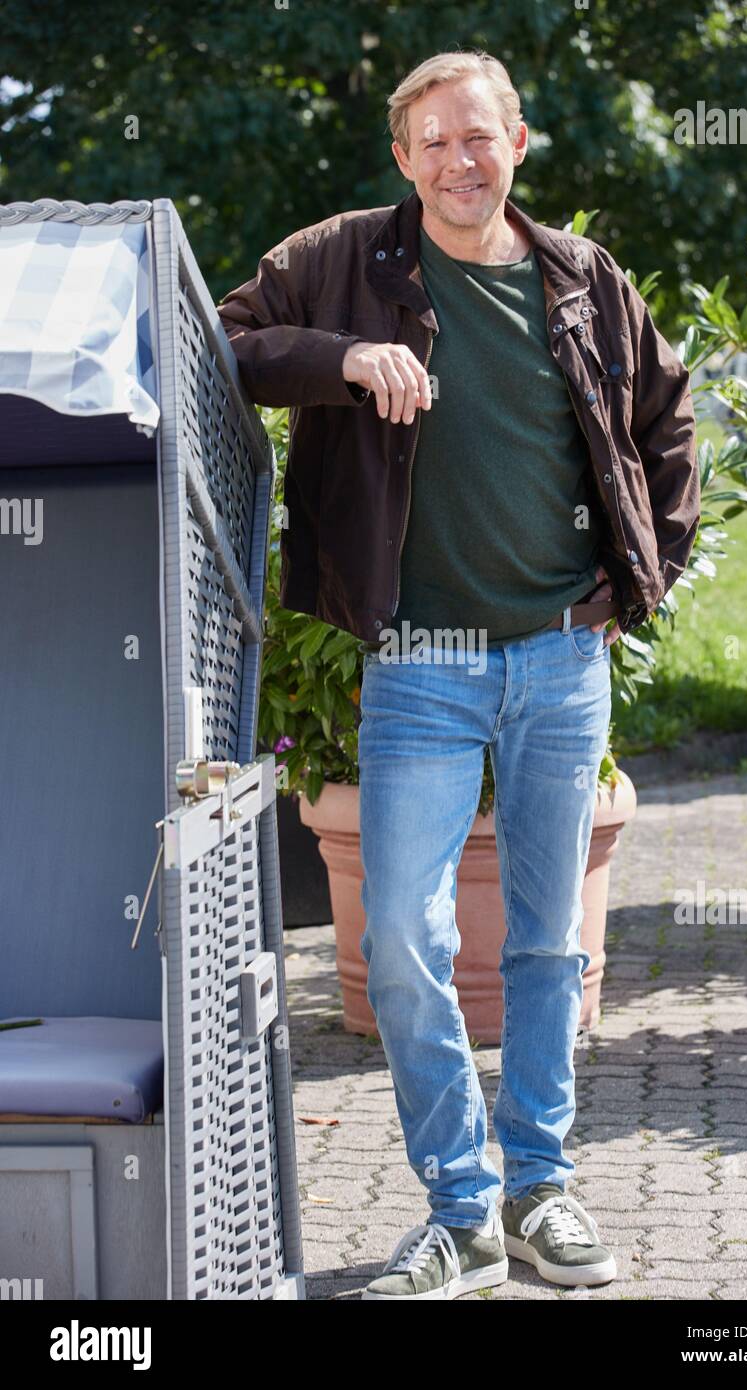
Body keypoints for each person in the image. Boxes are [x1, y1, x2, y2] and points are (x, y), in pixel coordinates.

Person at [217, 48, 700, 1301]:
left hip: (557, 661)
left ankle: (540, 1188)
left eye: (477, 137)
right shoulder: (344, 259)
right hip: (418, 667)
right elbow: (220, 345)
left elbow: (666, 422)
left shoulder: (578, 279)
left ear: (518, 144)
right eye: (431, 141)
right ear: (402, 157)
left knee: (545, 946)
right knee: (402, 952)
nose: (456, 161)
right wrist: (342, 361)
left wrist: (623, 590)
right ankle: (460, 1212)